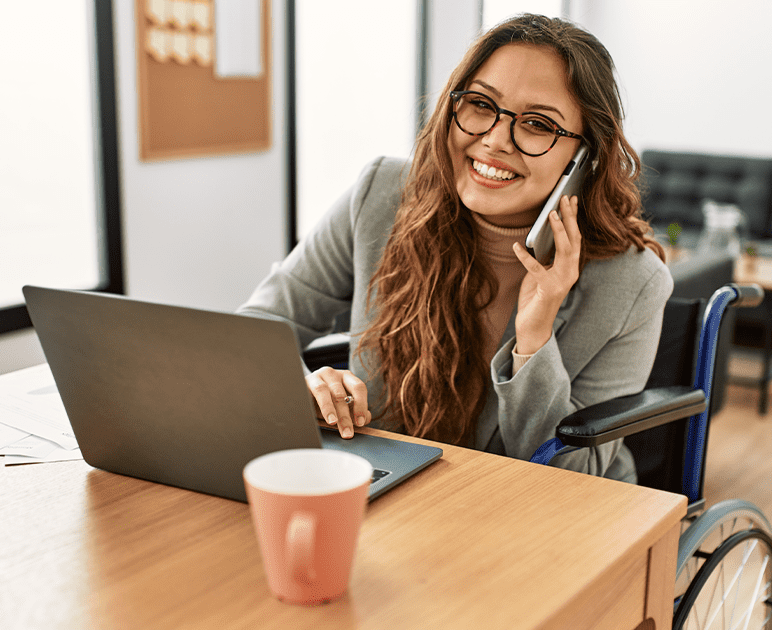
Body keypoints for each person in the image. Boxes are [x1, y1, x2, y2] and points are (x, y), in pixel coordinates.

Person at [238, 14, 671, 483]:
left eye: (538, 124)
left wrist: (535, 339)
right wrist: (301, 384)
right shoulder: (379, 197)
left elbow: (575, 476)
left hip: (528, 519)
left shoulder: (633, 282)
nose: (495, 139)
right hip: (388, 492)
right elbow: (256, 327)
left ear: (584, 157)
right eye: (481, 104)